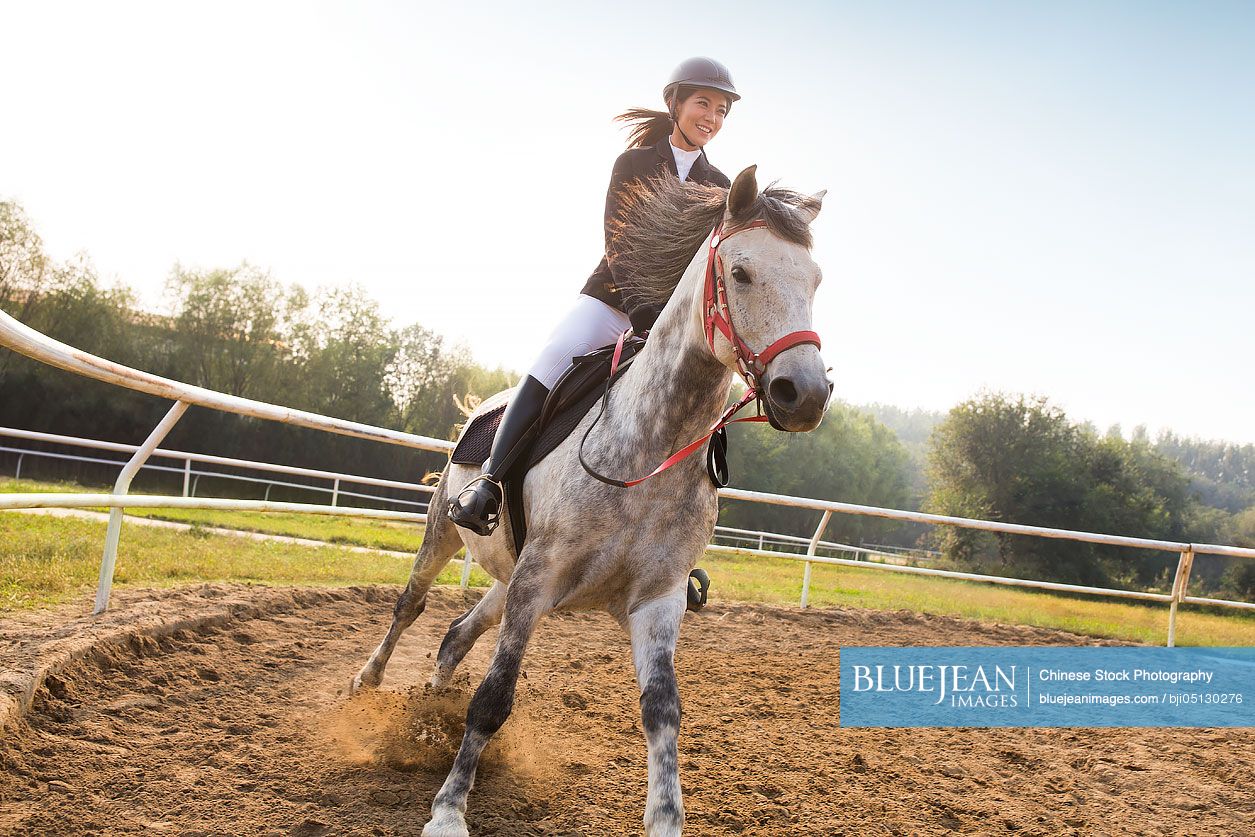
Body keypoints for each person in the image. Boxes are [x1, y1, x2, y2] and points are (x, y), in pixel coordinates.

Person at [447, 57, 739, 537]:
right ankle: (489, 483)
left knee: (701, 397)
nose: (712, 117)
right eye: (703, 103)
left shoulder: (721, 186)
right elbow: (619, 242)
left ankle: (677, 536)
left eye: (721, 110)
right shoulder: (634, 164)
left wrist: (676, 321)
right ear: (675, 103)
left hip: (669, 323)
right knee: (553, 360)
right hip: (610, 303)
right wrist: (642, 313)